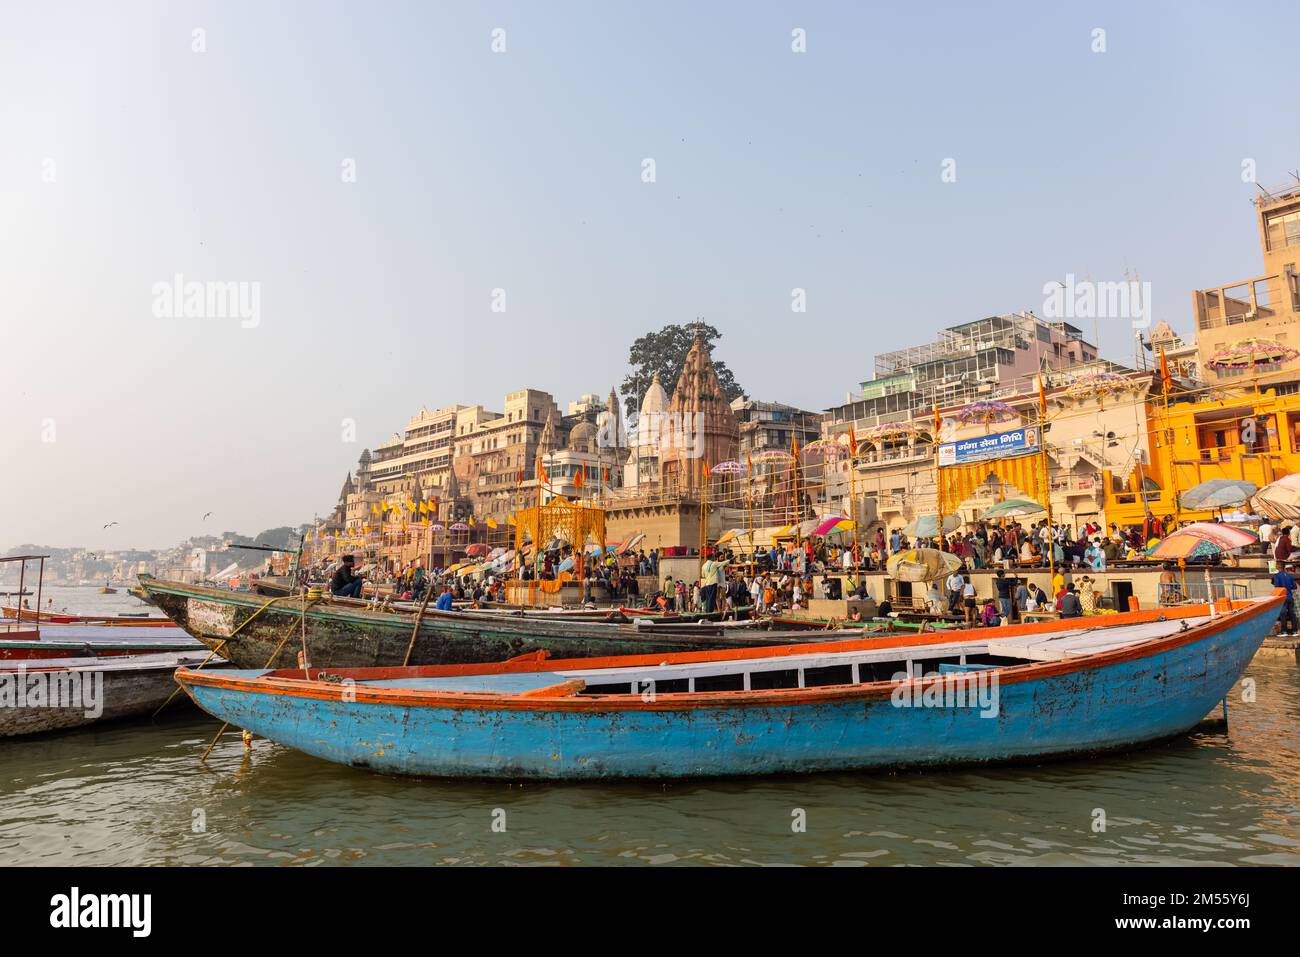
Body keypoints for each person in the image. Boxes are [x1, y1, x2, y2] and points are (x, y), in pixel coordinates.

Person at [1271, 562, 1298, 637]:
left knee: (1283, 614)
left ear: (1278, 567)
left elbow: (1277, 587)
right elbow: (1294, 587)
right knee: (1292, 614)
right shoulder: (1290, 576)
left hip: (1283, 597)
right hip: (1290, 597)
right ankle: (1294, 631)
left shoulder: (1276, 576)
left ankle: (1284, 631)